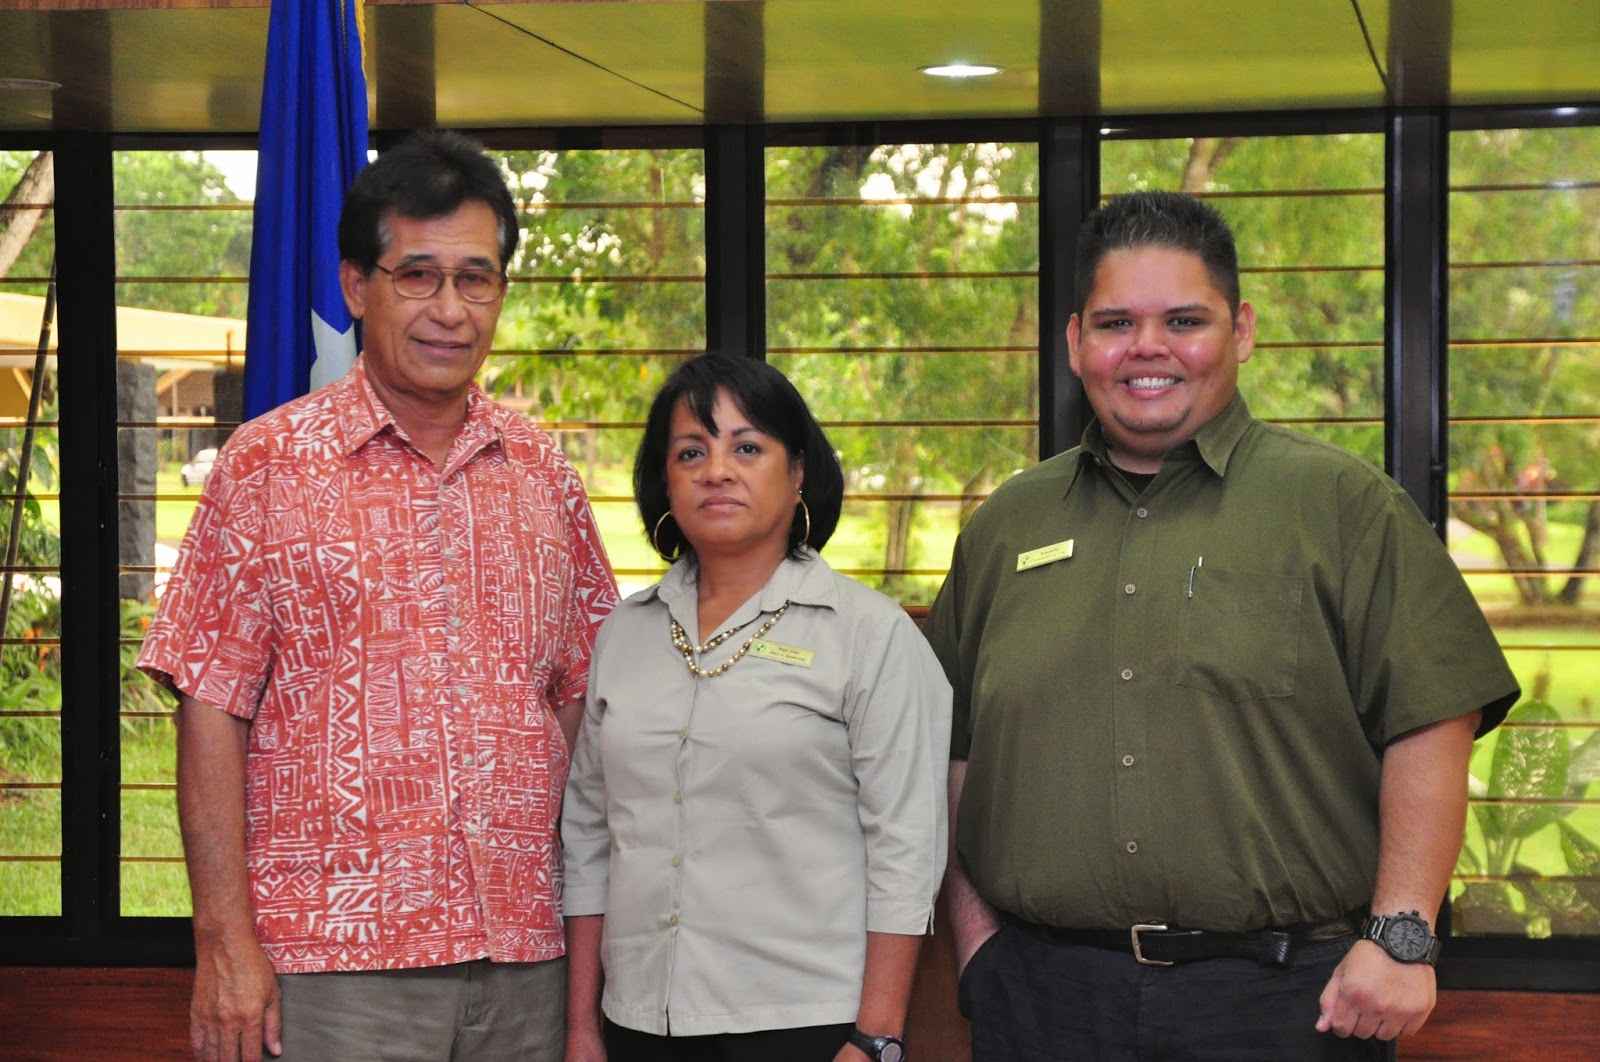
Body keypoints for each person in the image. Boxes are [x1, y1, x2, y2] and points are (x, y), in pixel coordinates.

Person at [922, 190, 1521, 1061]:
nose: (1147, 348)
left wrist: (1400, 937)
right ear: (1075, 340)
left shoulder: (1344, 508)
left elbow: (1433, 720)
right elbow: (951, 749)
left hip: (1285, 1005)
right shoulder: (1006, 525)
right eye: (1116, 321)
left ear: (1240, 331)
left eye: (1185, 320)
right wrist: (980, 951)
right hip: (1043, 1002)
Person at [139, 130, 619, 1062]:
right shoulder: (268, 466)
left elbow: (578, 689)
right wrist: (223, 943)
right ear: (358, 285)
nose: (449, 309)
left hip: (524, 958)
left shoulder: (544, 472)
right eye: (418, 276)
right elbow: (209, 705)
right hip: (332, 970)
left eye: (475, 278)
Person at [560, 353, 951, 1062]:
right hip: (637, 1022)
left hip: (807, 1026)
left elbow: (908, 849)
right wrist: (583, 1025)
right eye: (691, 451)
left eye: (747, 447)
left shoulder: (869, 634)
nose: (717, 470)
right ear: (665, 480)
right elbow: (588, 836)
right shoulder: (625, 632)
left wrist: (876, 1037)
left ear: (797, 470)